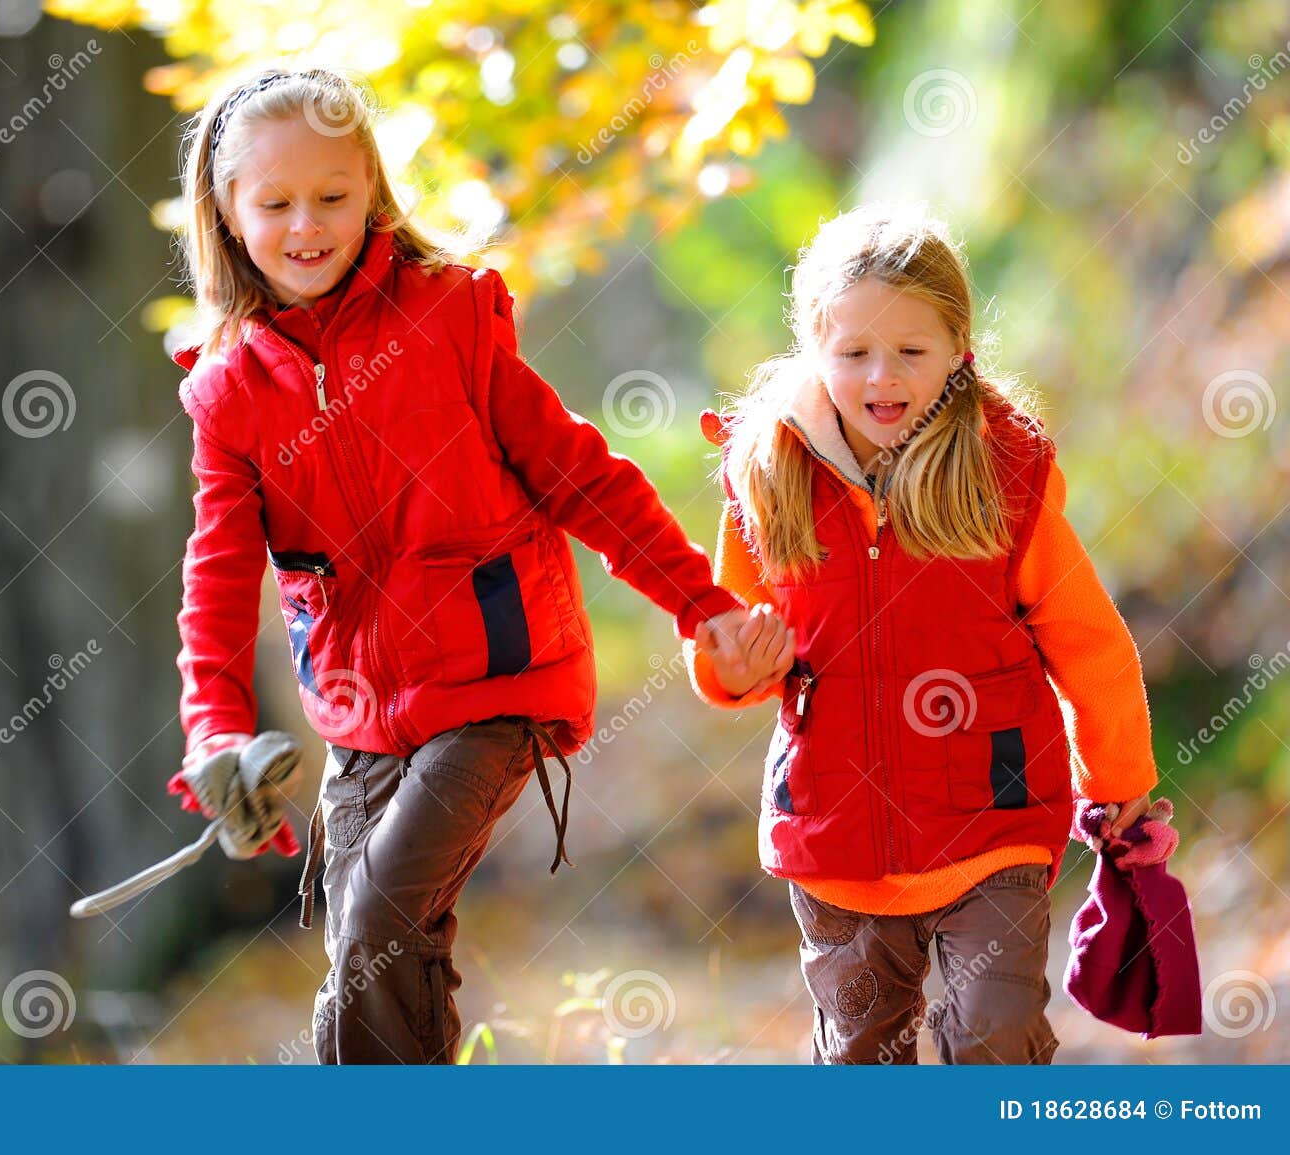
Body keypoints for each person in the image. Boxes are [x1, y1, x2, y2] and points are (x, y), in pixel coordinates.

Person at [169, 67, 748, 1064]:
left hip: (496, 686)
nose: (306, 226)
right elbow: (216, 577)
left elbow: (580, 475)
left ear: (372, 191)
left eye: (332, 198)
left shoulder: (448, 316)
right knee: (384, 955)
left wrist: (699, 602)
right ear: (225, 212)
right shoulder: (228, 392)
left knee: (374, 923)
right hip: (361, 713)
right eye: (274, 205)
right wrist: (214, 729)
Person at [690, 204, 1160, 1064]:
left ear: (959, 350)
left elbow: (1088, 639)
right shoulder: (768, 476)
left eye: (912, 351)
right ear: (815, 352)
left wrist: (1119, 779)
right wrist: (734, 668)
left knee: (996, 1033)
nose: (884, 376)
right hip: (838, 837)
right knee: (865, 1060)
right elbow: (729, 639)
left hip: (995, 825)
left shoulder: (1001, 475)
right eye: (855, 353)